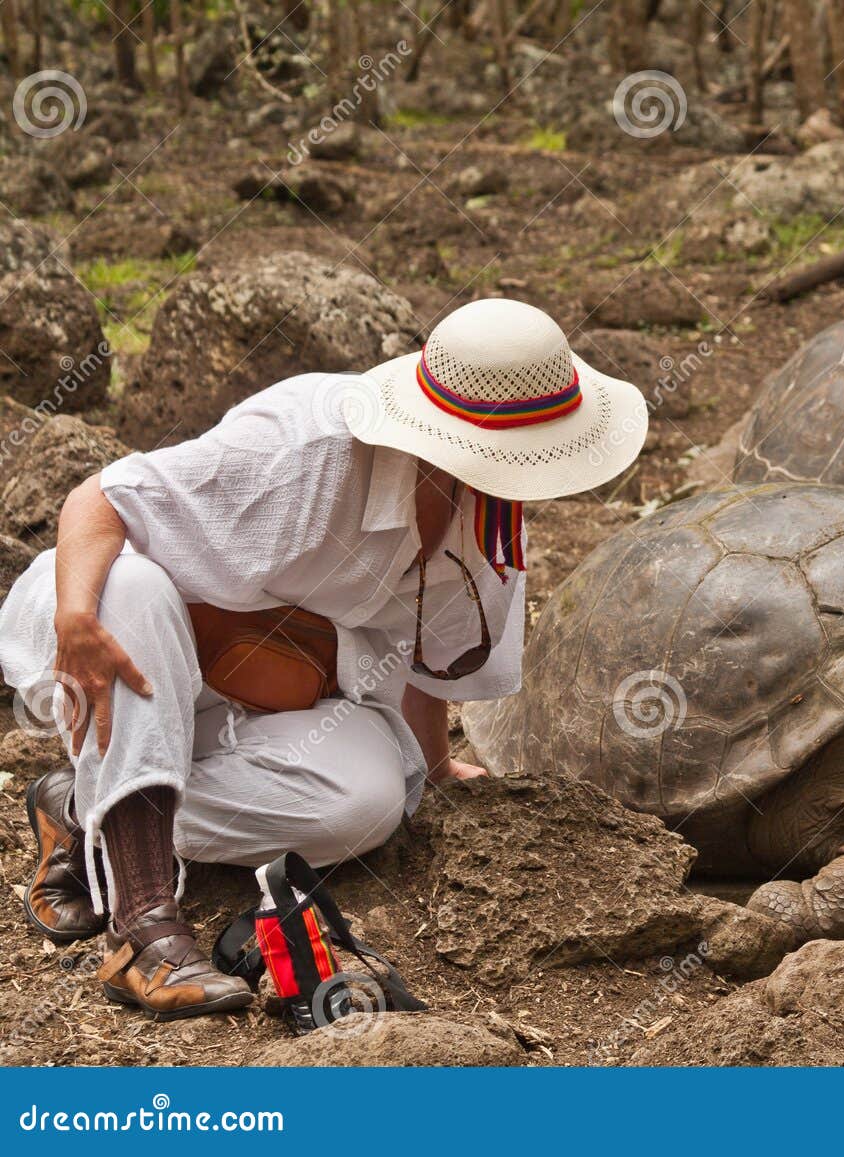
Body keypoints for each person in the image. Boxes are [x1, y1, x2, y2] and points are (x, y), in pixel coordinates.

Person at [0, 298, 647, 1021]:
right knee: (135, 585)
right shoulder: (303, 452)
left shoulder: (491, 523)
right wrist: (77, 620)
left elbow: (428, 652)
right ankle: (141, 926)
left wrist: (433, 767)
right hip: (120, 651)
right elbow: (100, 501)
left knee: (365, 804)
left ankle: (88, 808)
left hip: (265, 702)